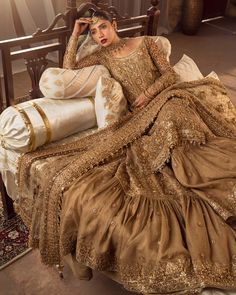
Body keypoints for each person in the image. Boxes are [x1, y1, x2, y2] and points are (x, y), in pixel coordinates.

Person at [17, 10, 236, 295]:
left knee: (185, 133)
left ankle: (211, 181)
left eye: (103, 28)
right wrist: (74, 35)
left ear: (115, 25)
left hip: (169, 100)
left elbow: (169, 75)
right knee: (157, 156)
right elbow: (69, 69)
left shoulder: (146, 43)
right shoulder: (102, 57)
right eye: (93, 33)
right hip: (142, 120)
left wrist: (147, 95)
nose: (100, 36)